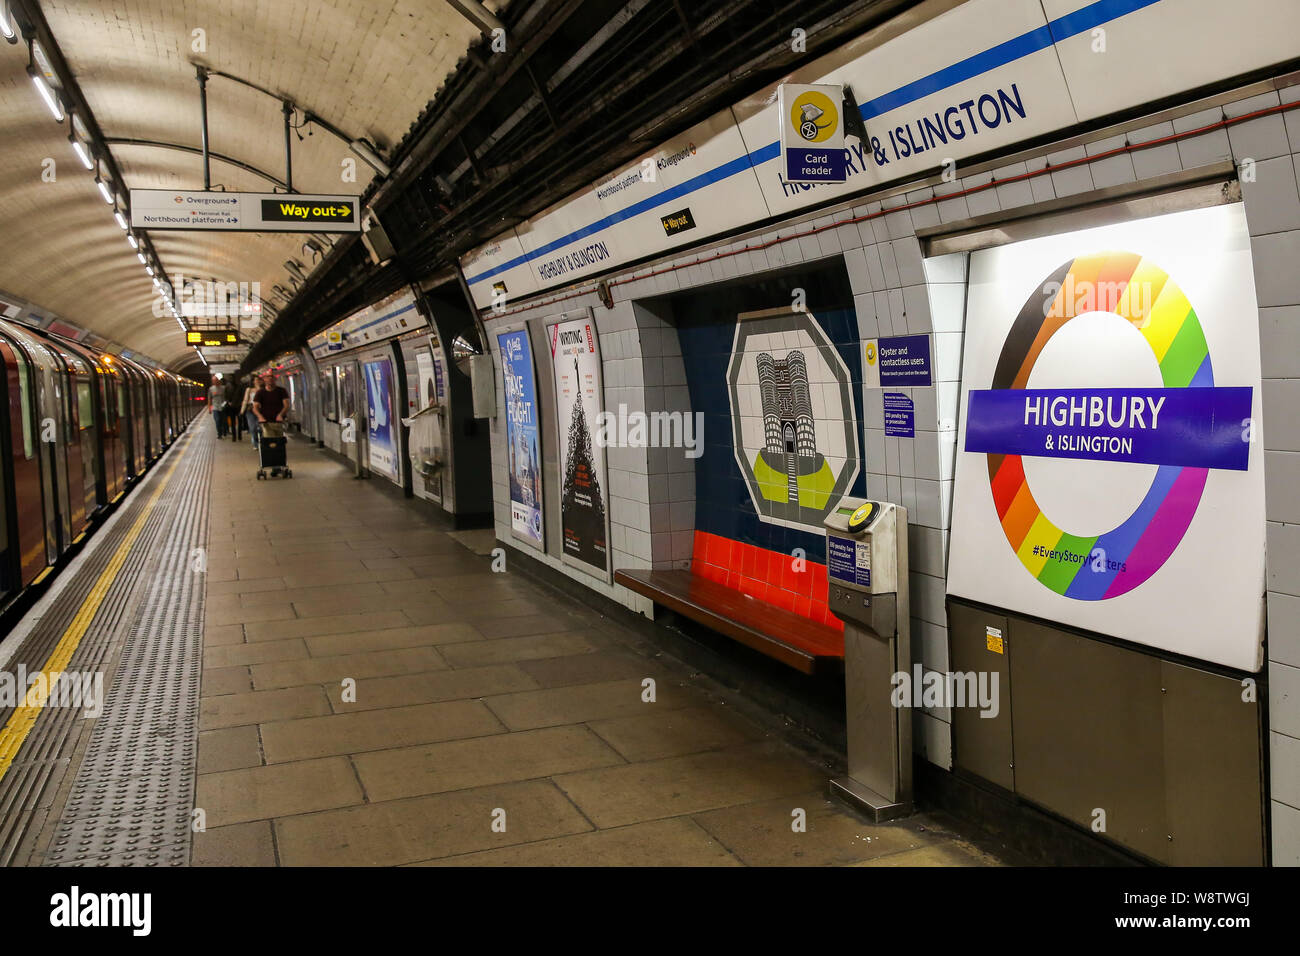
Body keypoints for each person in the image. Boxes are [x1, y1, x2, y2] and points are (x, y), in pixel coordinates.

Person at [241, 377, 260, 449]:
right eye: (256, 380)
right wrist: (242, 411)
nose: (258, 381)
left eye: (259, 380)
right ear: (253, 382)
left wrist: (258, 387)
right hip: (250, 409)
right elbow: (245, 400)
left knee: (260, 427)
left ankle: (260, 441)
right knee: (252, 427)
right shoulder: (249, 390)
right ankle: (255, 443)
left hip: (259, 410)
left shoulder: (262, 390)